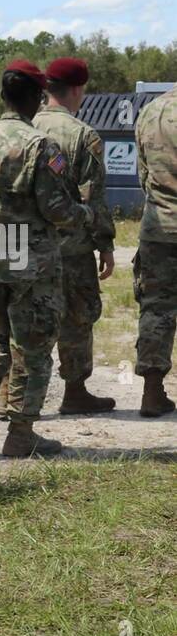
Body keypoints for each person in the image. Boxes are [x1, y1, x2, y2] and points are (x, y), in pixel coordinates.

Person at [0, 60, 93, 456]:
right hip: (32, 263)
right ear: (35, 96)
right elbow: (57, 209)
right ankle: (21, 434)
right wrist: (86, 214)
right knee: (34, 349)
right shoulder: (39, 146)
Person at [31, 58, 116, 415]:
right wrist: (106, 244)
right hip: (72, 247)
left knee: (28, 318)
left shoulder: (24, 126)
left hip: (27, 247)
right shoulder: (83, 134)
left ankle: (13, 396)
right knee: (78, 317)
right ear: (78, 90)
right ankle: (75, 390)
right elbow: (92, 195)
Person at [133, 78, 177, 416]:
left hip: (158, 226)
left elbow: (143, 175)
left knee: (156, 309)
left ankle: (152, 391)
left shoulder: (150, 111)